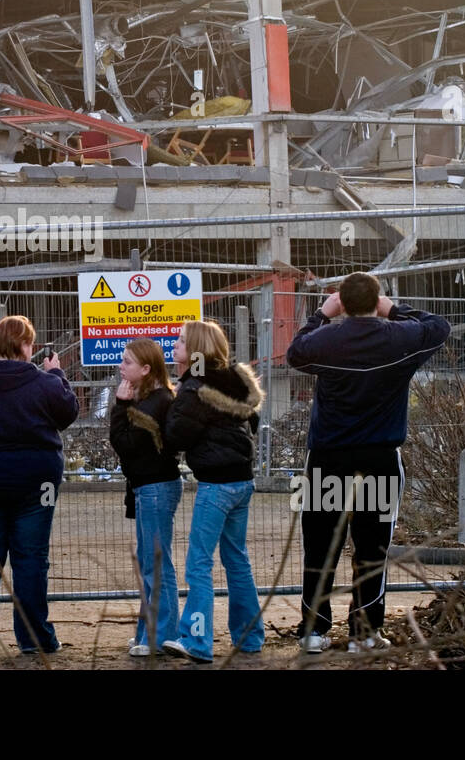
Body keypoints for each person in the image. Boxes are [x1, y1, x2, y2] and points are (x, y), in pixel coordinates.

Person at [285, 272, 449, 653]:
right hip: (379, 456)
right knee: (373, 546)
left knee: (320, 543)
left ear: (340, 300)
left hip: (327, 456)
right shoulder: (400, 339)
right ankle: (366, 631)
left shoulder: (326, 340)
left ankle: (313, 630)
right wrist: (393, 310)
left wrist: (321, 315)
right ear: (378, 300)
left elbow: (295, 353)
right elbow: (439, 328)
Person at [0, 315, 79, 654]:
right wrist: (56, 373)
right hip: (38, 483)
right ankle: (35, 639)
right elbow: (68, 413)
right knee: (31, 559)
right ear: (25, 346)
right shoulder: (45, 383)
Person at [161, 319, 265, 663]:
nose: (173, 346)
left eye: (179, 341)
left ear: (195, 350)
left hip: (216, 484)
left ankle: (197, 641)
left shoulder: (194, 388)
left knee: (198, 565)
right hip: (242, 480)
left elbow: (176, 437)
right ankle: (250, 638)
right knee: (237, 560)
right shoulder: (235, 381)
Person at [109, 338, 179, 657]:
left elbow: (124, 443)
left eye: (127, 362)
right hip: (146, 487)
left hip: (155, 487)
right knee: (149, 563)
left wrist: (121, 407)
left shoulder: (154, 401)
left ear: (146, 369)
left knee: (156, 564)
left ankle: (160, 636)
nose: (120, 366)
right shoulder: (148, 397)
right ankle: (147, 634)